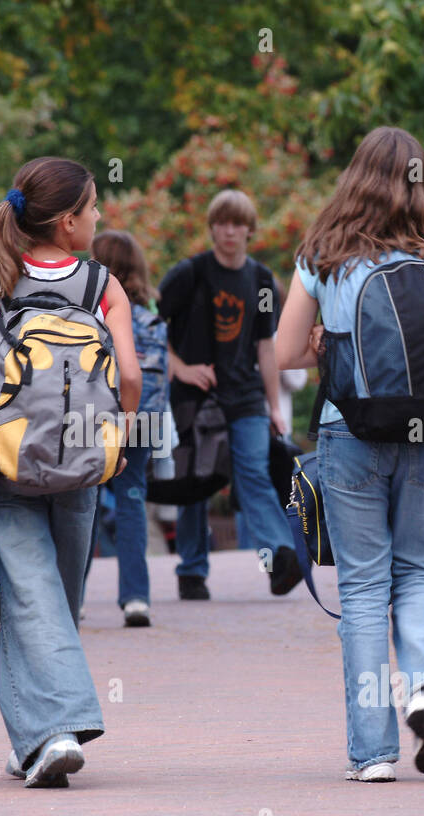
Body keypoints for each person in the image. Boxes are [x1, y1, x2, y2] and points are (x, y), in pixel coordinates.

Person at [275, 126, 424, 782]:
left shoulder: (324, 256)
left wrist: (323, 345)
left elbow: (285, 356)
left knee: (363, 585)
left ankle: (374, 753)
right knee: (419, 569)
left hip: (350, 434)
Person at [0, 156, 141, 788]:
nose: (100, 216)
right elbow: (130, 377)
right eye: (93, 207)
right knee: (55, 595)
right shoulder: (102, 286)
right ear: (66, 223)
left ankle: (44, 734)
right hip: (82, 464)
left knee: (32, 597)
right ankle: (48, 732)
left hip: (7, 463)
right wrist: (121, 435)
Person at [158, 189, 302, 601]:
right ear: (212, 228)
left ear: (249, 230)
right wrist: (181, 367)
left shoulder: (260, 280)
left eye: (237, 223)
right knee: (195, 483)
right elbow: (150, 324)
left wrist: (275, 407)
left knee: (254, 473)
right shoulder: (190, 273)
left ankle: (279, 559)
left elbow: (265, 347)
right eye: (221, 223)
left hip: (245, 397)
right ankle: (191, 571)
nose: (229, 231)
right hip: (193, 396)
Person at [85, 229, 169, 627]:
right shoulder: (153, 320)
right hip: (145, 419)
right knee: (133, 501)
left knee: (84, 502)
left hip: (92, 420)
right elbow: (162, 379)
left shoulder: (89, 316)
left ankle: (73, 595)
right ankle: (136, 598)